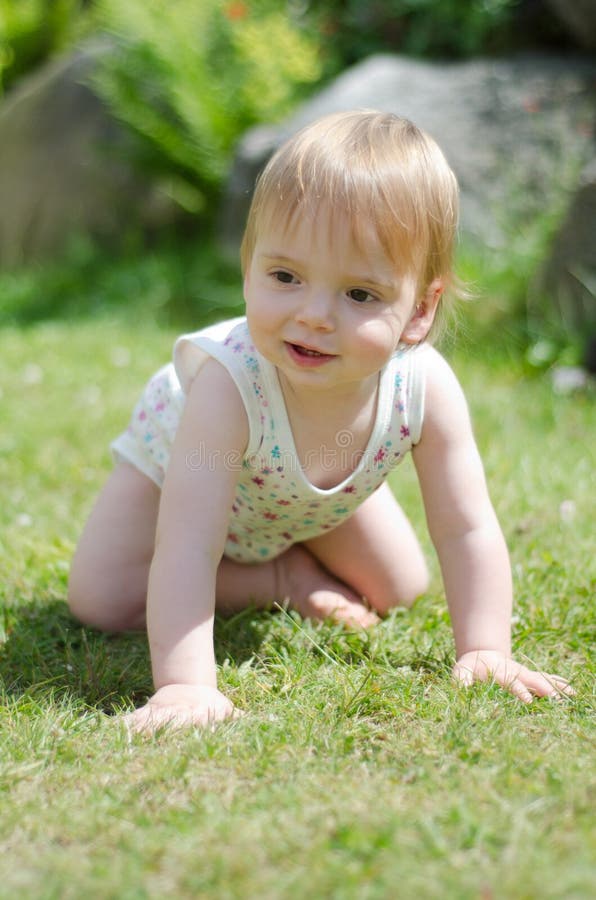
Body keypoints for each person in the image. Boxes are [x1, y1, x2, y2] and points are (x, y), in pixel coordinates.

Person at [68, 110, 572, 733]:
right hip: (177, 484)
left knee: (401, 585)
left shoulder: (423, 388)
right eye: (285, 277)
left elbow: (467, 527)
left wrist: (485, 648)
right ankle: (279, 576)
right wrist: (185, 688)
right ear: (248, 268)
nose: (313, 316)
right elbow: (188, 545)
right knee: (102, 595)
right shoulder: (227, 388)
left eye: (359, 294)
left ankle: (292, 550)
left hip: (300, 489)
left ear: (418, 311)